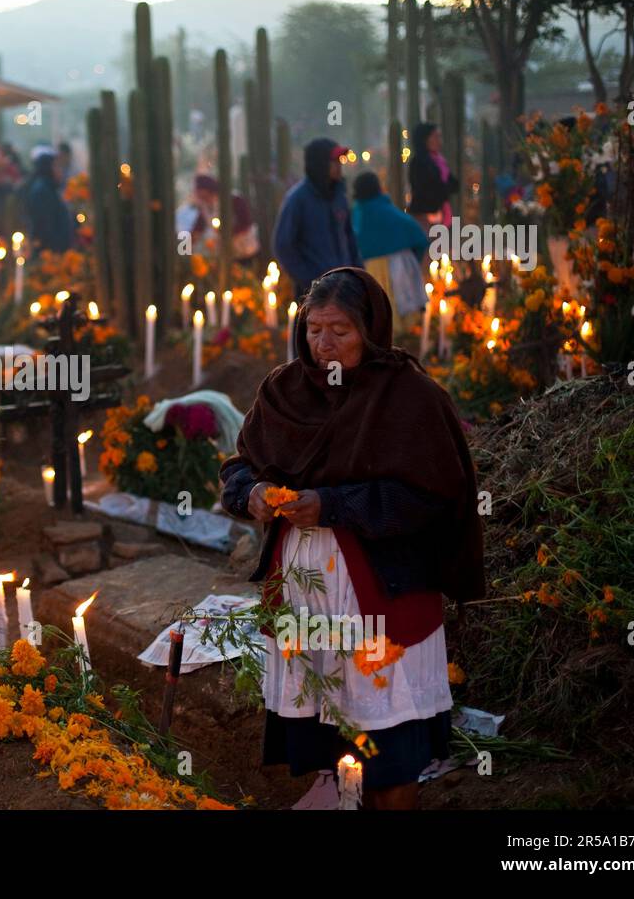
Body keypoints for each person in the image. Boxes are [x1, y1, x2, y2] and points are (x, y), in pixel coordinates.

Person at [219, 267, 483, 810]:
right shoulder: (284, 389)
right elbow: (237, 466)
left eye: (340, 329)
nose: (324, 343)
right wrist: (253, 492)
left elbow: (432, 498)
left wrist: (334, 505)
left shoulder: (408, 397)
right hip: (302, 589)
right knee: (327, 724)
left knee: (389, 739)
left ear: (371, 329)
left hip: (380, 592)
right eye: (314, 329)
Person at [272, 139, 360, 300]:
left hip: (344, 286)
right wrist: (310, 279)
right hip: (313, 292)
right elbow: (283, 245)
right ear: (321, 164)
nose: (340, 165)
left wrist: (358, 273)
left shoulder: (339, 196)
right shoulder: (297, 199)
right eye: (334, 161)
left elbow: (349, 236)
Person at [350, 172, 429, 329]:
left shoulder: (357, 215)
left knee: (374, 315)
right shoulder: (390, 211)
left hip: (368, 270)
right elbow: (418, 237)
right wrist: (415, 263)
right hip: (398, 267)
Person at [23, 147, 73, 254]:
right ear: (48, 168)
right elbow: (45, 229)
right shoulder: (42, 192)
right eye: (57, 166)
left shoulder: (50, 188)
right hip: (50, 255)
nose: (61, 171)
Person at [408, 123, 457, 230]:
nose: (439, 140)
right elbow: (425, 188)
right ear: (425, 139)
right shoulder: (419, 162)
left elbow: (453, 184)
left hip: (440, 214)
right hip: (425, 216)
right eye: (435, 136)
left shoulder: (440, 161)